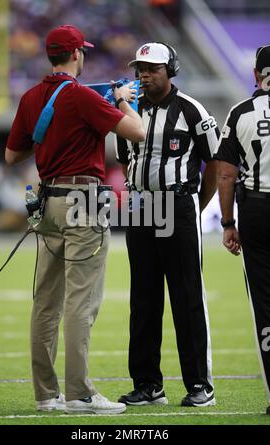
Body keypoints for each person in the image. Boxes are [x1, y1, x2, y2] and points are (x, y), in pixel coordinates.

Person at [5, 24, 145, 414]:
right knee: (81, 302)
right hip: (83, 201)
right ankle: (81, 393)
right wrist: (120, 100)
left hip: (47, 202)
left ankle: (46, 395)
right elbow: (138, 131)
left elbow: (12, 156)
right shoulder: (83, 96)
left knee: (46, 303)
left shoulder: (31, 97)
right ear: (76, 55)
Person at [116, 42, 219, 407]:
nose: (144, 74)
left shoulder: (191, 110)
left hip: (178, 203)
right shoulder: (129, 110)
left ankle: (199, 384)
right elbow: (125, 158)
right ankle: (147, 383)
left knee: (187, 295)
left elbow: (216, 164)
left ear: (170, 69)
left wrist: (194, 204)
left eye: (152, 68)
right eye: (140, 68)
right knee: (143, 298)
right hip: (141, 205)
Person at [215, 45, 270, 416]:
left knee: (265, 307)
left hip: (259, 210)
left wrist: (228, 222)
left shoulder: (241, 113)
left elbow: (226, 173)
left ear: (256, 75)